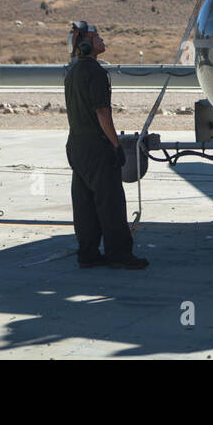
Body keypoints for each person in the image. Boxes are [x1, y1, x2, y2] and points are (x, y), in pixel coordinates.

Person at [63, 21, 148, 270]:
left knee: (84, 204)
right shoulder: (96, 72)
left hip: (76, 146)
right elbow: (102, 112)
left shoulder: (73, 73)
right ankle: (119, 254)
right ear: (86, 45)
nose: (102, 40)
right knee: (110, 201)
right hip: (96, 147)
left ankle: (87, 253)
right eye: (97, 37)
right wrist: (116, 145)